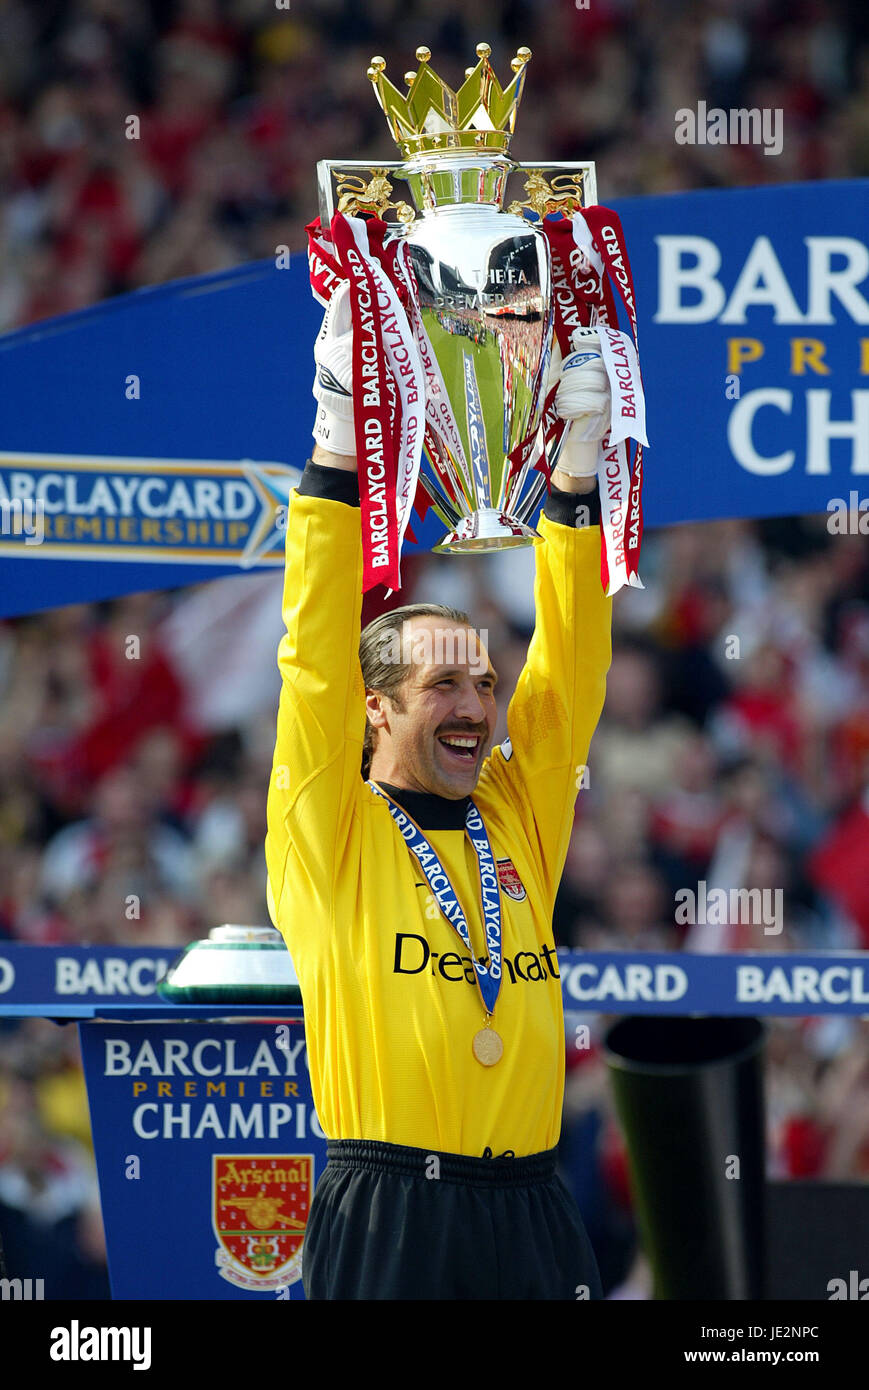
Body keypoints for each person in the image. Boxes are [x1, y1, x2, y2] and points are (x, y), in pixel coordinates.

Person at [265, 284, 613, 1299]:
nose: (476, 706)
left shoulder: (514, 811)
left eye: (483, 683)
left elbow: (571, 678)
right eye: (443, 685)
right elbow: (312, 661)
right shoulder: (327, 826)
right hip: (390, 1215)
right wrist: (336, 443)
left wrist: (576, 477)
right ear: (375, 708)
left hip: (534, 1211)